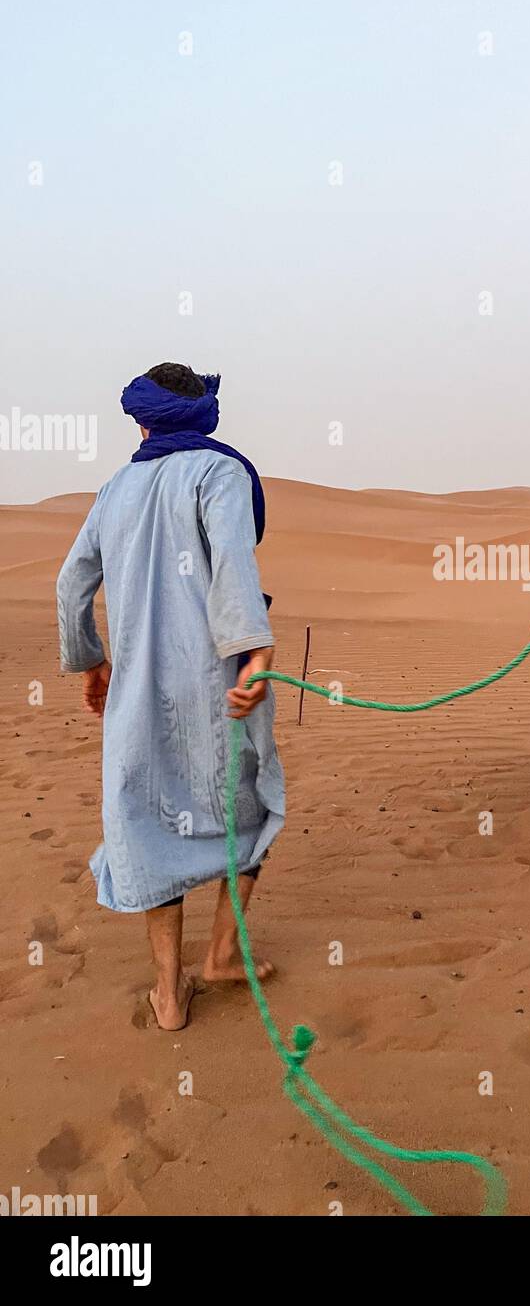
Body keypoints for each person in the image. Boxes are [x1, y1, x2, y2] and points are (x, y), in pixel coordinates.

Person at [56, 362, 285, 1030]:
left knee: (152, 824)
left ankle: (167, 993)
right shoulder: (220, 474)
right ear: (204, 412)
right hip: (219, 679)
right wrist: (258, 652)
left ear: (142, 418)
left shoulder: (115, 489)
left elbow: (72, 584)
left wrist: (91, 663)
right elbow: (235, 570)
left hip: (136, 693)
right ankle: (220, 954)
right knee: (249, 809)